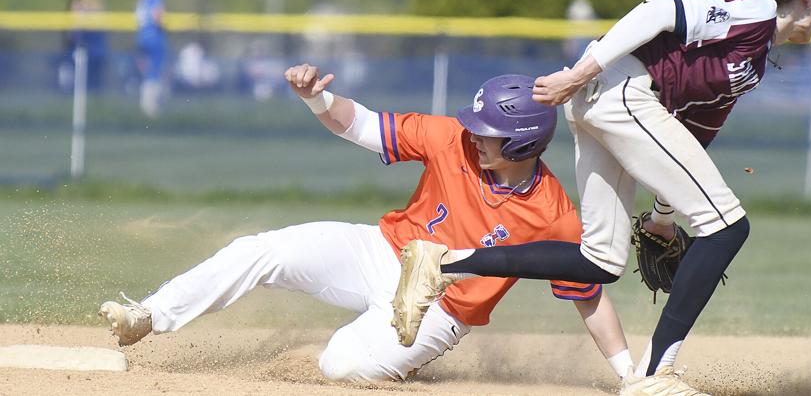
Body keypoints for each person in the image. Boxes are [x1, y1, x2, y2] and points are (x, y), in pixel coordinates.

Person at [392, 0, 811, 395]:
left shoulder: (754, 61)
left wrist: (663, 220)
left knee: (599, 260)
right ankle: (651, 377)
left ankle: (443, 262)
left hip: (615, 102)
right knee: (727, 227)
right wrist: (578, 74)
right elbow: (657, 11)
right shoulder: (756, 8)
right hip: (618, 88)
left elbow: (692, 137)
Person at [99, 66, 635, 382]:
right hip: (382, 250)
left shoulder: (554, 213)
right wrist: (316, 97)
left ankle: (393, 356)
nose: (474, 134)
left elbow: (588, 294)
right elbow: (361, 126)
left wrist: (630, 376)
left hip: (438, 308)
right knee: (261, 250)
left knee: (338, 366)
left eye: (488, 130)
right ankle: (149, 315)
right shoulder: (451, 138)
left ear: (523, 143)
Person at [135, 0, 175, 118]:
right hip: (154, 38)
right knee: (155, 71)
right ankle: (151, 108)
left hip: (142, 37)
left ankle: (146, 104)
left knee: (147, 71)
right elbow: (158, 17)